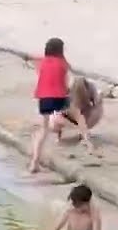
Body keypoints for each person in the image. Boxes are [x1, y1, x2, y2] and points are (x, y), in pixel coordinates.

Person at [28, 38, 95, 173]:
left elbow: (31, 58)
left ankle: (34, 162)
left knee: (43, 130)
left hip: (43, 97)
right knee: (79, 117)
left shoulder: (40, 62)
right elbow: (67, 78)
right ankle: (89, 146)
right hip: (59, 96)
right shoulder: (63, 63)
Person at [50, 77, 103, 142]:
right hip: (69, 114)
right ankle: (61, 134)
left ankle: (83, 133)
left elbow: (96, 102)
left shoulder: (91, 87)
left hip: (83, 112)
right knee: (56, 118)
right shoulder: (66, 93)